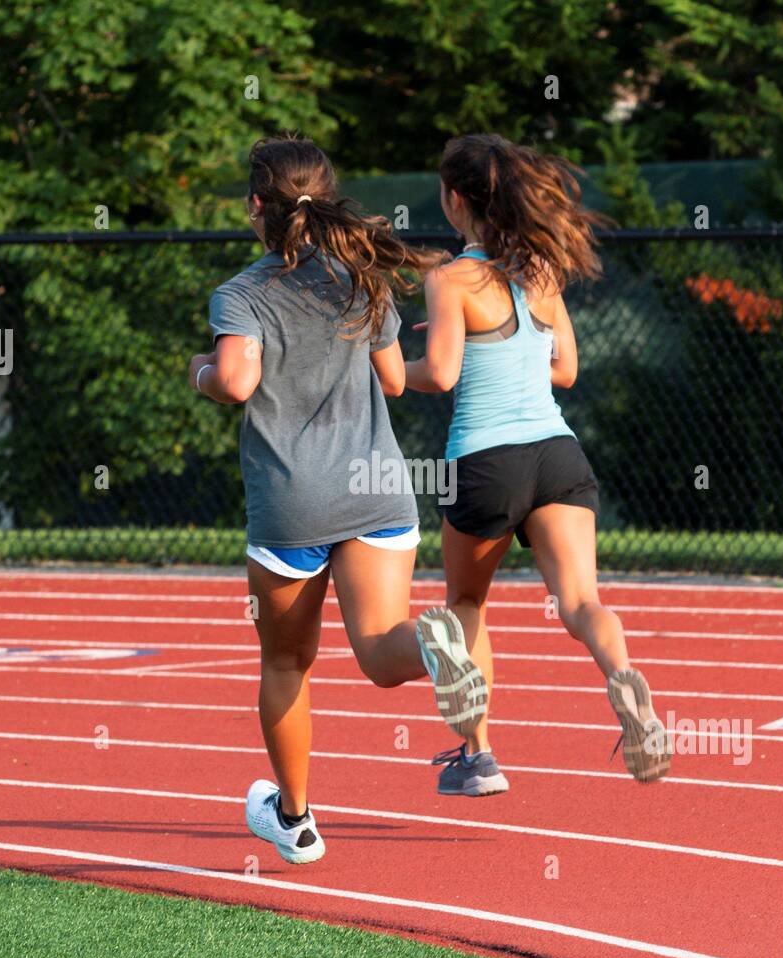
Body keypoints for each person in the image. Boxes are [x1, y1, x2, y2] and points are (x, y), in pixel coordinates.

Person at [191, 136, 488, 864]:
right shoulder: (362, 277)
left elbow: (234, 381)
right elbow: (393, 381)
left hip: (293, 500)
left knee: (288, 663)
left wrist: (200, 369)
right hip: (377, 491)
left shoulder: (243, 292)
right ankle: (433, 640)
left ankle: (294, 820)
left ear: (255, 205)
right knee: (383, 651)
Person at [404, 133, 671, 796]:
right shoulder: (542, 272)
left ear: (455, 199)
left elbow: (439, 374)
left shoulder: (449, 278)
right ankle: (624, 682)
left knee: (466, 601)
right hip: (556, 453)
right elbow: (568, 368)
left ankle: (480, 755)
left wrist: (378, 368)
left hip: (485, 461)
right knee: (582, 600)